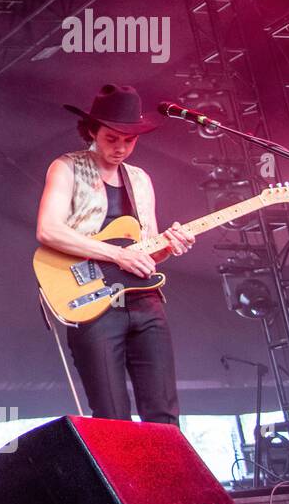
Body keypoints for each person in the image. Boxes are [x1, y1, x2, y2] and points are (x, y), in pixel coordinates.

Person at [34, 84, 194, 425]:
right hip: (92, 302)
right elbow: (48, 229)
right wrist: (116, 256)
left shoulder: (140, 179)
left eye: (129, 140)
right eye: (111, 138)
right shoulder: (66, 168)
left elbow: (147, 250)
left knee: (164, 412)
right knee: (112, 417)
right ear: (92, 130)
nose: (121, 148)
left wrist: (170, 244)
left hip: (145, 300)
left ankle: (166, 479)